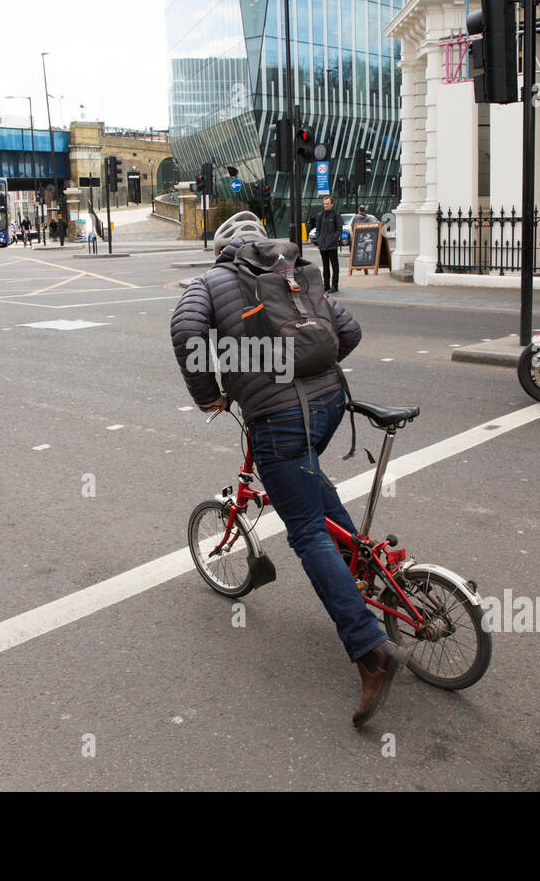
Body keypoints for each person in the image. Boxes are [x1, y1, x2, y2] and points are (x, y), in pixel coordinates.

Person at [170, 213, 407, 727]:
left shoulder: (211, 280)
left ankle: (370, 648)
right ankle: (362, 570)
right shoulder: (291, 270)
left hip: (279, 420)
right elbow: (349, 330)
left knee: (303, 532)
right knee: (309, 482)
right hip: (330, 404)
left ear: (222, 250)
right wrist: (307, 366)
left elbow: (187, 328)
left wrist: (210, 394)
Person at [311, 195, 342, 293]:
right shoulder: (321, 215)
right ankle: (326, 285)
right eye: (324, 204)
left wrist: (333, 239)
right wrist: (319, 239)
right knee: (325, 266)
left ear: (331, 204)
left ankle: (335, 286)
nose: (325, 205)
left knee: (334, 266)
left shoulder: (336, 215)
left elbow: (339, 230)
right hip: (323, 245)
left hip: (332, 245)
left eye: (327, 204)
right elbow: (318, 229)